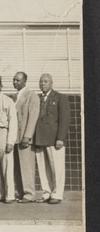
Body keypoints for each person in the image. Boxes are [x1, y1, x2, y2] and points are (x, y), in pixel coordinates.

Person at [34, 73, 69, 205]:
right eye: (41, 81)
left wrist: (60, 138)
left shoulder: (60, 97)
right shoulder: (38, 98)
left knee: (57, 168)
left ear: (51, 83)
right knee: (43, 168)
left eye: (45, 81)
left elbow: (64, 120)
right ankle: (46, 192)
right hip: (40, 138)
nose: (42, 84)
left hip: (54, 140)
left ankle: (57, 194)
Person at [12, 71, 41, 202]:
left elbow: (33, 117)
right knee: (17, 166)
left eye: (18, 80)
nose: (15, 82)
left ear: (25, 81)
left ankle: (29, 194)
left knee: (27, 166)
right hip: (15, 137)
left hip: (24, 137)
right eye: (14, 80)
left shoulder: (32, 96)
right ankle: (20, 191)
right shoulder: (14, 96)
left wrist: (27, 136)